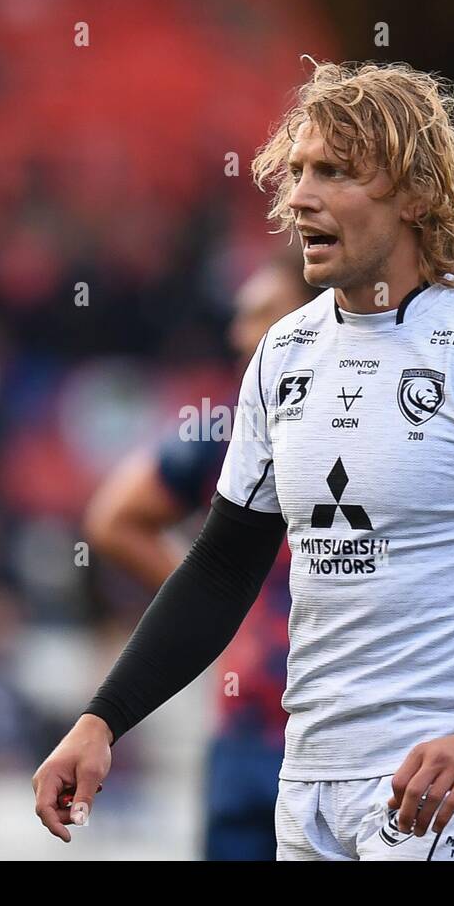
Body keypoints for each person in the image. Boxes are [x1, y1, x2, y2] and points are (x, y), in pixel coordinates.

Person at [33, 60, 454, 860]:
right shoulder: (285, 354)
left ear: (416, 193)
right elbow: (220, 569)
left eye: (337, 173)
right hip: (310, 781)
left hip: (450, 786)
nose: (300, 197)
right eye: (299, 172)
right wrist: (102, 720)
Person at [82, 255, 311, 859]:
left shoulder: (383, 427)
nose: (241, 334)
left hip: (344, 734)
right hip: (248, 730)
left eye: (261, 314)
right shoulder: (232, 427)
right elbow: (114, 519)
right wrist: (230, 608)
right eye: (239, 317)